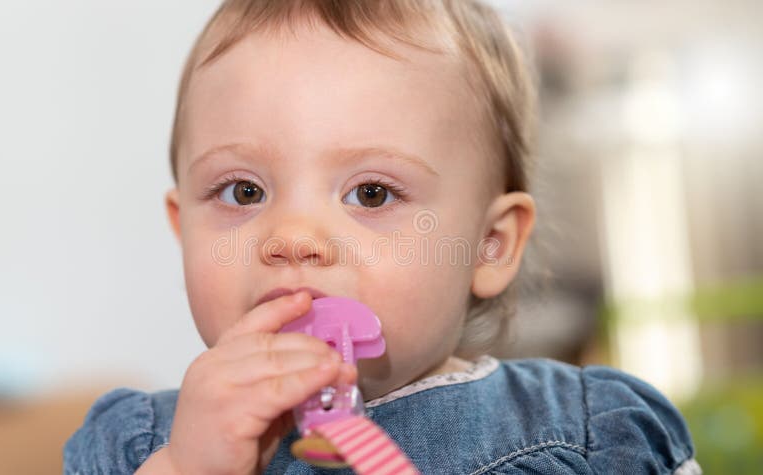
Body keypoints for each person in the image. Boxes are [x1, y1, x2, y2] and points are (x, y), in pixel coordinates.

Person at [64, 1, 701, 473]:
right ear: (184, 230)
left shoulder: (593, 434)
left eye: (371, 193)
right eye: (244, 192)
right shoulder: (135, 445)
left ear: (491, 244)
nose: (293, 238)